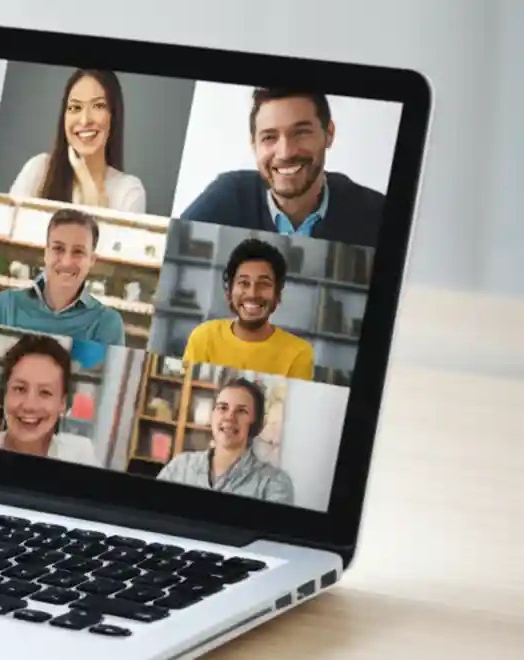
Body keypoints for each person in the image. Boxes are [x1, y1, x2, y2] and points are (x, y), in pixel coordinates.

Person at [179, 88, 385, 247]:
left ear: (329, 134)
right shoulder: (225, 198)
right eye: (269, 137)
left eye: (301, 132)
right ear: (254, 145)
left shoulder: (376, 214)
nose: (286, 152)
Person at [0, 208, 125, 346]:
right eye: (58, 249)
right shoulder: (3, 306)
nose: (67, 261)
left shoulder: (106, 323)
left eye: (78, 252)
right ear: (46, 253)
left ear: (92, 260)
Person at [9, 69, 146, 213]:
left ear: (114, 115)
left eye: (98, 106)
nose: (85, 120)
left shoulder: (129, 191)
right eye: (75, 107)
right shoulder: (38, 170)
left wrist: (91, 192)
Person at [182, 237, 314, 380]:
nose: (252, 294)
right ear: (229, 293)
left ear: (277, 295)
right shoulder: (204, 337)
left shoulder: (299, 353)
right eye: (244, 283)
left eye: (264, 284)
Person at [156, 377, 294, 504]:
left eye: (241, 411)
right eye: (223, 407)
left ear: (256, 423)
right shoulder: (179, 468)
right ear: (212, 415)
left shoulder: (274, 483)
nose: (229, 417)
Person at [0, 334, 97, 464]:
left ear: (62, 402)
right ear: (5, 393)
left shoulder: (80, 456)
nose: (29, 406)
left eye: (45, 392)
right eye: (20, 389)